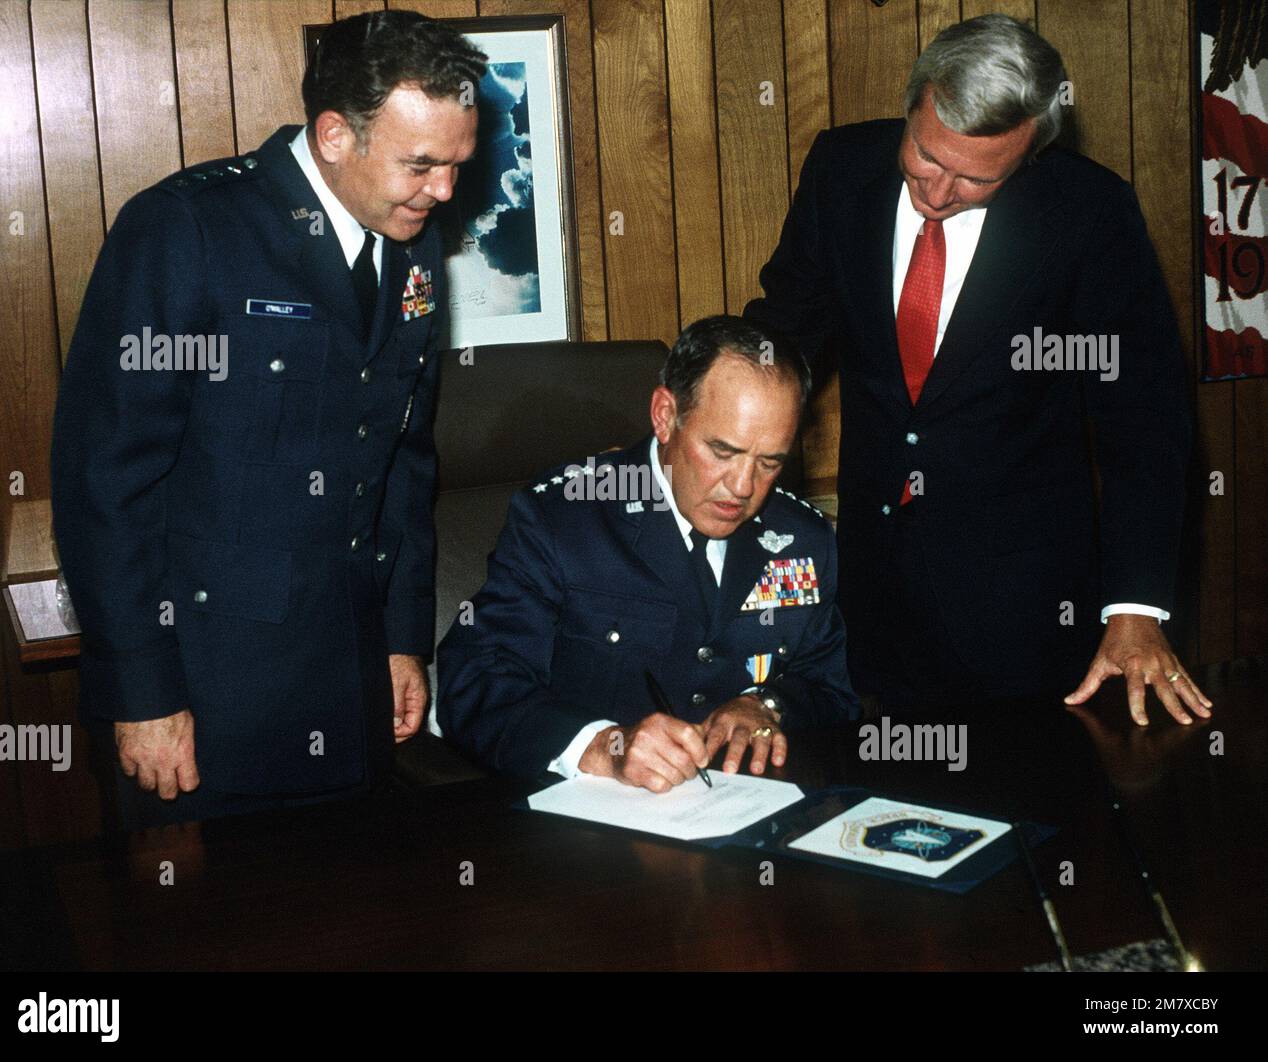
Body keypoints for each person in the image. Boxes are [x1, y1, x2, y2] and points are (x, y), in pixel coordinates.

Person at [50, 11, 485, 826]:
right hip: (207, 698)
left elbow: (404, 458)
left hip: (350, 687)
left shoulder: (414, 244)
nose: (445, 191)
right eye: (421, 164)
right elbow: (105, 481)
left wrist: (401, 638)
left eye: (456, 162)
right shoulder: (188, 231)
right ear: (333, 137)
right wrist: (141, 691)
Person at [744, 14, 1212, 727]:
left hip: (1022, 608)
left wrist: (1135, 607)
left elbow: (1143, 416)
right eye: (926, 159)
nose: (936, 193)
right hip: (871, 589)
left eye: (974, 179)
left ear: (1027, 156)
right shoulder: (841, 168)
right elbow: (783, 334)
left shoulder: (1089, 212)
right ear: (914, 104)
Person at [436, 316, 859, 790]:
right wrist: (603, 746)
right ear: (665, 416)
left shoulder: (802, 536)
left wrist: (767, 705)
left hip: (746, 811)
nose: (743, 488)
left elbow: (831, 690)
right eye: (722, 451)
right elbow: (473, 681)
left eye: (769, 462)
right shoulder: (564, 520)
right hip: (590, 829)